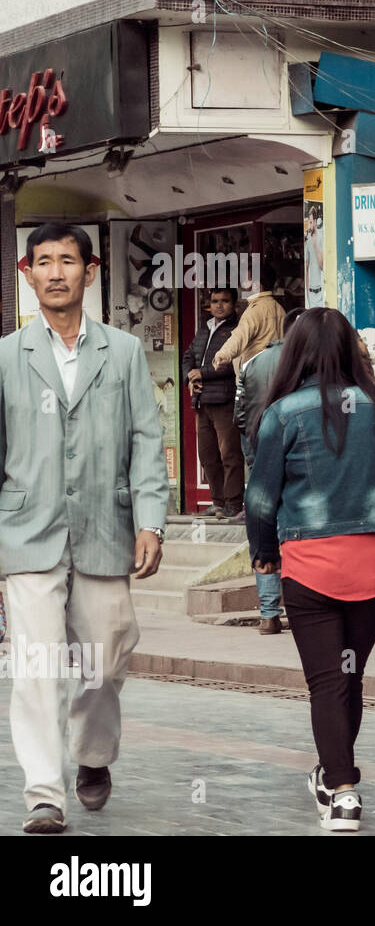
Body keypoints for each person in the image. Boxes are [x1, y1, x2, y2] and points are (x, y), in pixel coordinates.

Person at [0, 223, 168, 834]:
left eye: (67, 261)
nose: (55, 272)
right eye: (42, 262)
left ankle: (93, 756)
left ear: (89, 271)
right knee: (36, 668)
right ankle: (44, 794)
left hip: (105, 530)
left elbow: (147, 441)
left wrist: (151, 520)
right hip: (26, 535)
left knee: (105, 658)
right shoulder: (5, 356)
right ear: (27, 273)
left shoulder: (121, 352)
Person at [245, 308, 375, 832]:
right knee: (348, 675)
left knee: (325, 683)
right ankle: (333, 775)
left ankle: (343, 791)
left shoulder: (283, 414)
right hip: (373, 564)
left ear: (295, 352)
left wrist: (265, 552)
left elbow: (261, 497)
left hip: (311, 566)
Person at [233, 307, 304, 634]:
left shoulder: (253, 363)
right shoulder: (308, 364)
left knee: (262, 530)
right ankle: (300, 605)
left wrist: (254, 454)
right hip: (300, 460)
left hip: (261, 456)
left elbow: (240, 416)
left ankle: (268, 613)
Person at [182, 287, 244, 519]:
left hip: (224, 399)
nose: (219, 305)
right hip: (202, 401)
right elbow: (188, 356)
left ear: (234, 305)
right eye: (215, 301)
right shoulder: (205, 328)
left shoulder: (236, 329)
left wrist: (202, 373)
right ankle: (217, 502)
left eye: (224, 301)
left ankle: (234, 504)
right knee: (208, 456)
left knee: (229, 454)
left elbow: (230, 362)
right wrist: (190, 376)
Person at [211, 278, 286, 376]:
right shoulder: (279, 308)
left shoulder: (255, 310)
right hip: (276, 373)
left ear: (257, 286)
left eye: (247, 281)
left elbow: (239, 336)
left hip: (257, 375)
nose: (244, 285)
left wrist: (222, 356)